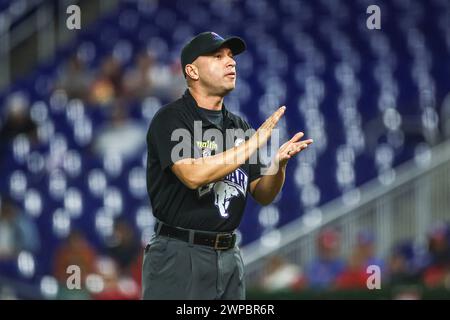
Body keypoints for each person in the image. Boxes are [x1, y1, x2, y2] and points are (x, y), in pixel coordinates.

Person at [143, 31, 313, 300]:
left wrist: (278, 166)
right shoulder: (171, 119)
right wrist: (251, 144)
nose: (231, 62)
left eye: (232, 57)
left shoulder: (239, 126)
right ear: (192, 71)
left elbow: (263, 194)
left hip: (229, 254)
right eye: (218, 56)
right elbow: (192, 175)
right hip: (179, 253)